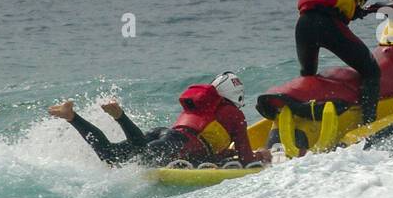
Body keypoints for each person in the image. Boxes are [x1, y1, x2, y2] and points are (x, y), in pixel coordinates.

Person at [48, 72, 270, 167]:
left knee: (109, 156)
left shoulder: (208, 105)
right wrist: (262, 155)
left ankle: (72, 116)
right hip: (177, 144)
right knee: (143, 156)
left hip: (166, 134)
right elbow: (247, 159)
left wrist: (224, 154)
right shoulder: (235, 115)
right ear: (237, 95)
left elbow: (205, 143)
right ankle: (120, 117)